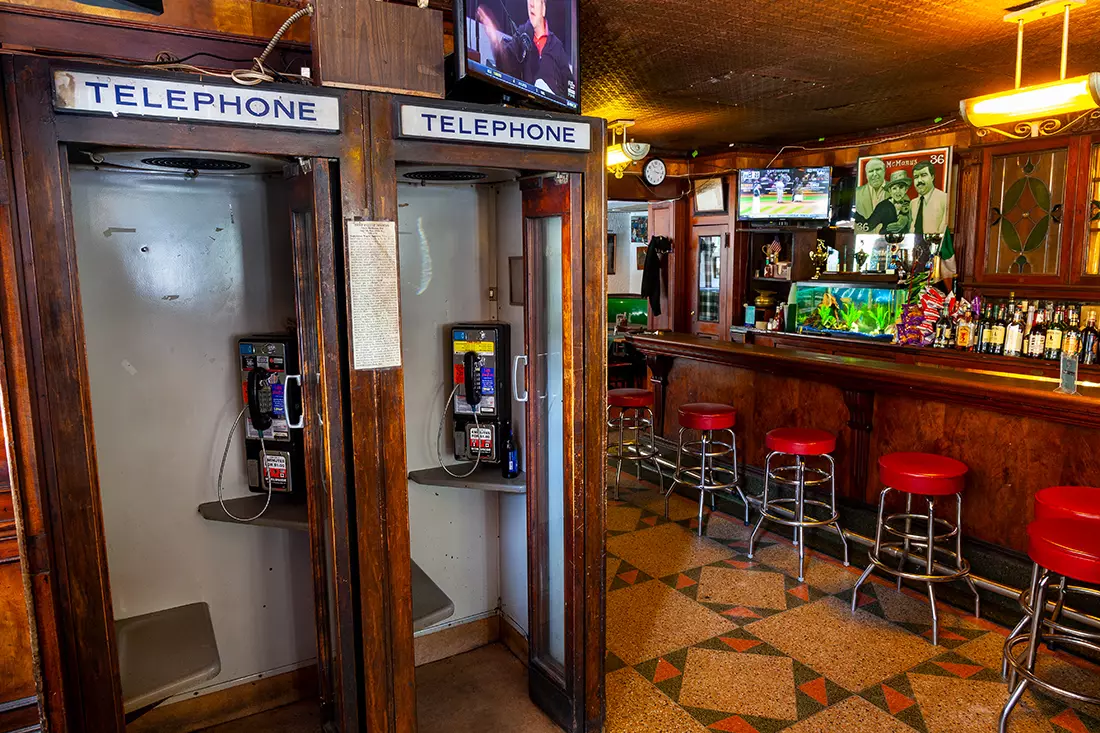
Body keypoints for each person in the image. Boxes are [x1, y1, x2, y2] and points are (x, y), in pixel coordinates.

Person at [477, 0, 572, 98]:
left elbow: (570, 88)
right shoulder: (522, 34)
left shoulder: (556, 45)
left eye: (536, 1)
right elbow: (506, 68)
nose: (531, 4)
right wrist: (495, 41)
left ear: (543, 8)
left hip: (551, 109)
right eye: (529, 0)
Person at [859, 170, 912, 234]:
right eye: (894, 188)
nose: (898, 191)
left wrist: (907, 219)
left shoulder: (912, 204)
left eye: (901, 187)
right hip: (884, 240)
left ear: (906, 189)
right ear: (890, 191)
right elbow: (869, 226)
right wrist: (856, 217)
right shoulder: (882, 206)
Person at [909, 161, 948, 236]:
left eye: (923, 175)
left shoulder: (944, 199)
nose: (919, 180)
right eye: (916, 177)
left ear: (932, 177)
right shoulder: (912, 203)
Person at [855, 158, 887, 225]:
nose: (874, 174)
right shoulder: (857, 193)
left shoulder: (897, 191)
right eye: (871, 171)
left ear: (884, 171)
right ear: (866, 175)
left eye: (878, 169)